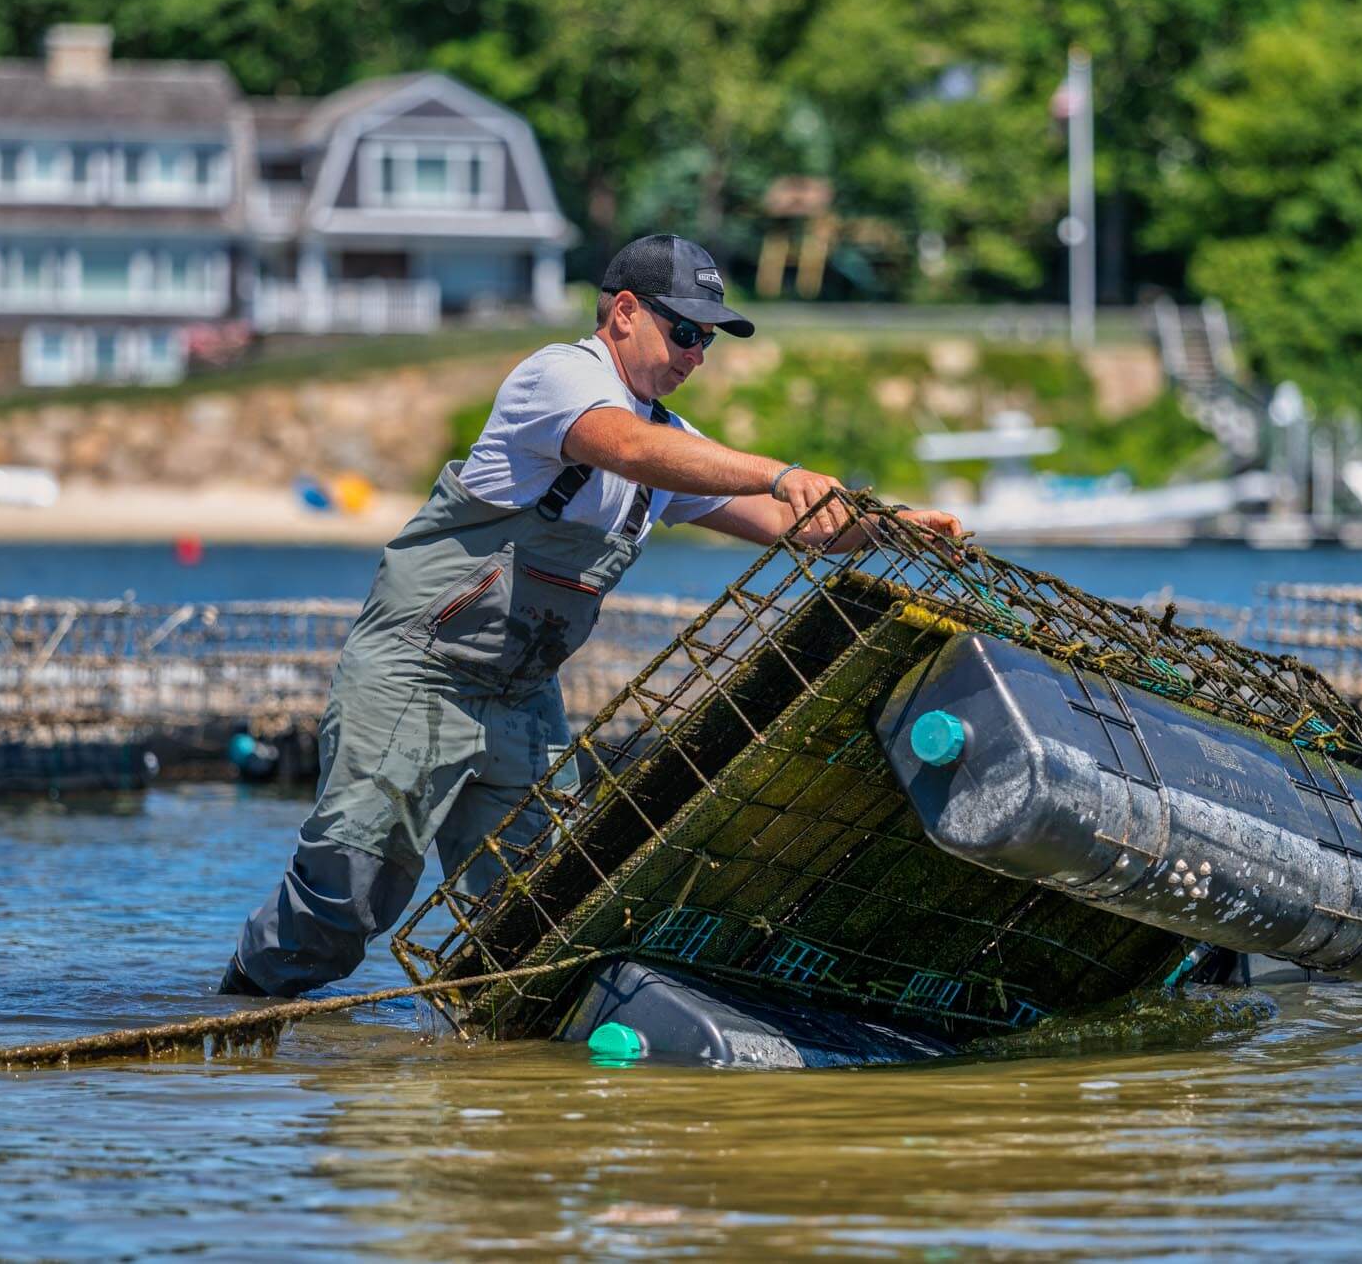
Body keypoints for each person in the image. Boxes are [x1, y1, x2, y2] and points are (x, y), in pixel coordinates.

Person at [220, 234, 961, 997]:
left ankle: (494, 1059)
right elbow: (628, 448)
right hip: (419, 671)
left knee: (534, 916)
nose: (696, 354)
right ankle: (237, 1000)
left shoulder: (671, 442)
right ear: (625, 312)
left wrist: (893, 526)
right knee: (343, 904)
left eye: (708, 340)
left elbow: (791, 524)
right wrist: (782, 472)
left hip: (522, 697)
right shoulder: (561, 377)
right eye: (686, 330)